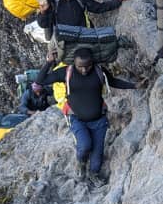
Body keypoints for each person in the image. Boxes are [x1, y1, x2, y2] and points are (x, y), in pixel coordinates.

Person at [42, 47, 135, 187]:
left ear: (93, 62)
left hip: (99, 120)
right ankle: (81, 163)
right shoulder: (67, 72)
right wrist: (49, 62)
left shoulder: (99, 71)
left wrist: (135, 85)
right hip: (77, 119)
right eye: (80, 66)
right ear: (74, 63)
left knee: (97, 154)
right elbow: (41, 80)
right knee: (85, 145)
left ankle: (94, 174)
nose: (84, 70)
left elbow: (114, 82)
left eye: (88, 66)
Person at [36, 0, 132, 37]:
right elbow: (44, 24)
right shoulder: (54, 4)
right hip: (66, 40)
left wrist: (118, 0)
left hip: (84, 36)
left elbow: (99, 8)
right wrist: (43, 12)